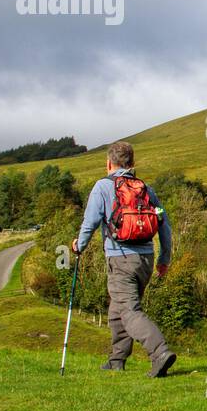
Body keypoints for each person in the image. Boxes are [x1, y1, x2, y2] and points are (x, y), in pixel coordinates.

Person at [72, 141, 176, 377]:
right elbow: (164, 225)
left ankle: (160, 352)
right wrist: (164, 258)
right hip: (146, 260)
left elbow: (90, 222)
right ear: (132, 163)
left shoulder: (103, 186)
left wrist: (79, 246)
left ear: (109, 163)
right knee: (117, 309)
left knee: (129, 310)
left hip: (120, 259)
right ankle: (116, 359)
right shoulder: (146, 190)